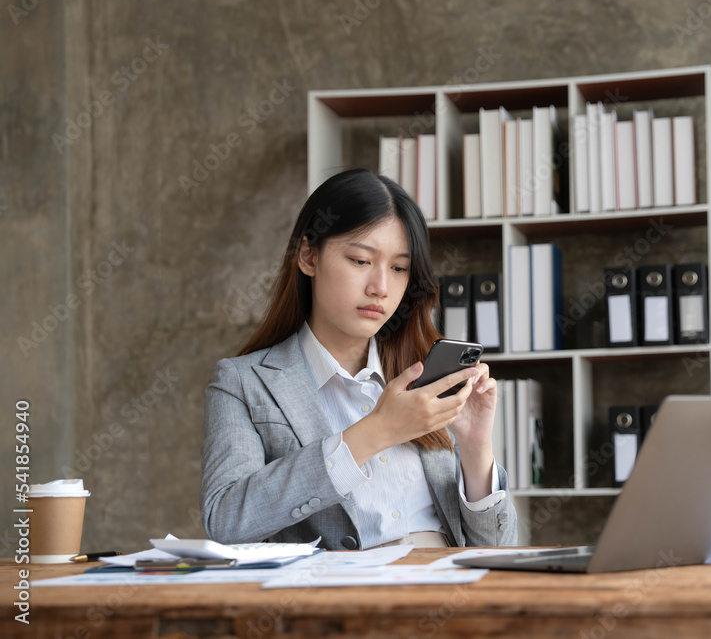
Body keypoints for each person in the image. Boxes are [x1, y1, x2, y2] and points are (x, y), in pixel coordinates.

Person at [200, 168, 517, 550]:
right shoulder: (244, 382)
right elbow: (225, 519)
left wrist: (476, 446)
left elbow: (499, 548)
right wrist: (378, 431)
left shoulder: (424, 375)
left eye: (399, 268)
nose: (381, 287)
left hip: (444, 591)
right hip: (343, 601)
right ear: (308, 256)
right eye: (360, 260)